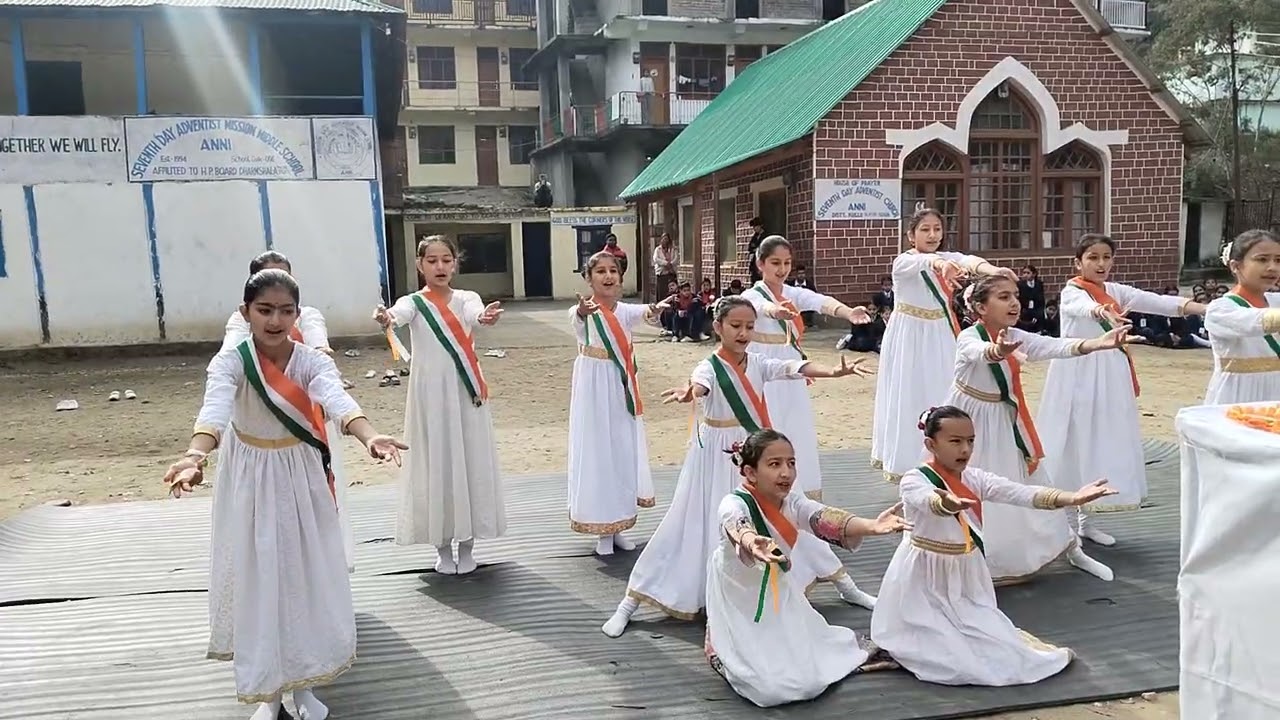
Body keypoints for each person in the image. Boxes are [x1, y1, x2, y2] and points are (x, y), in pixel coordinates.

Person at [166, 269, 407, 720]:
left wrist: (370, 436)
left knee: (303, 576)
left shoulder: (312, 361)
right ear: (246, 313)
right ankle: (269, 691)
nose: (275, 319)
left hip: (301, 477)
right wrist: (194, 457)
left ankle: (305, 686)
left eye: (285, 310)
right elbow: (214, 410)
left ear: (298, 314)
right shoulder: (231, 362)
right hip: (251, 480)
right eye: (264, 310)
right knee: (261, 578)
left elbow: (337, 401)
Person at [600, 296, 877, 637]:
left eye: (749, 326)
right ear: (717, 328)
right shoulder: (708, 367)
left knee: (789, 516)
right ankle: (632, 601)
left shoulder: (758, 362)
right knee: (695, 525)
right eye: (736, 326)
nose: (744, 332)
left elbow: (791, 369)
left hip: (756, 455)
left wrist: (834, 371)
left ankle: (846, 587)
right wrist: (690, 392)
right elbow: (700, 386)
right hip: (715, 457)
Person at [870, 406, 1116, 687]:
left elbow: (1020, 492)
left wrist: (1071, 498)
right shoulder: (916, 478)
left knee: (989, 638)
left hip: (965, 571)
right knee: (947, 652)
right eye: (955, 441)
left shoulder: (975, 479)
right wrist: (944, 503)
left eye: (970, 441)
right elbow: (926, 499)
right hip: (924, 575)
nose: (965, 449)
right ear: (930, 444)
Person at [706, 429, 908, 707]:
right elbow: (737, 525)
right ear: (750, 472)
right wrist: (752, 542)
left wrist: (872, 526)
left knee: (804, 674)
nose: (786, 473)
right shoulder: (734, 503)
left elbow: (822, 517)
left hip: (779, 592)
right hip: (737, 596)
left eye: (791, 463)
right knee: (769, 689)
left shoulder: (792, 502)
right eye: (774, 464)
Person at [946, 274, 1126, 582]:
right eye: (1003, 297)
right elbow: (978, 353)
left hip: (1003, 421)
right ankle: (976, 561)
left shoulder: (1013, 333)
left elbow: (1049, 346)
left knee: (1027, 480)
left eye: (1014, 295)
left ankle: (1070, 546)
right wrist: (998, 352)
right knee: (969, 489)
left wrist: (1097, 343)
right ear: (980, 307)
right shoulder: (969, 337)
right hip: (968, 424)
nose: (1014, 302)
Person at [1035, 234, 1206, 546]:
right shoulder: (1073, 291)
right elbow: (1083, 308)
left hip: (1111, 378)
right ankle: (1067, 521)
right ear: (1078, 262)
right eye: (1093, 258)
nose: (1100, 264)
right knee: (1075, 442)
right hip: (1078, 375)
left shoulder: (1115, 291)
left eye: (1105, 257)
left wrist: (1204, 309)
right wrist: (1103, 313)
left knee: (1101, 441)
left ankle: (1087, 519)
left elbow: (1158, 302)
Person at [373, 235, 506, 575]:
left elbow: (477, 316)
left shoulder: (466, 298)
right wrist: (386, 317)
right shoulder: (414, 302)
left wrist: (486, 318)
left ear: (455, 263)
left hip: (465, 393)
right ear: (420, 265)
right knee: (437, 464)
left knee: (469, 460)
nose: (440, 267)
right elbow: (398, 315)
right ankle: (442, 548)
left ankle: (468, 546)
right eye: (432, 261)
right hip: (430, 398)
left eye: (446, 259)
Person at [220, 250, 355, 571]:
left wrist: (320, 356)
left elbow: (319, 344)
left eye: (286, 278)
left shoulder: (306, 316)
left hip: (305, 424)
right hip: (257, 431)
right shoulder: (241, 326)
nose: (279, 285)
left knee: (314, 501)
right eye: (269, 280)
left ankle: (324, 573)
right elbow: (230, 353)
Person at [870, 207, 1016, 483]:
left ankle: (946, 456)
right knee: (910, 394)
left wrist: (993, 270)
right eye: (925, 229)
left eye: (937, 229)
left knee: (944, 388)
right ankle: (910, 465)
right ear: (911, 235)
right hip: (909, 336)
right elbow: (929, 264)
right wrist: (941, 266)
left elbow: (968, 260)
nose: (932, 234)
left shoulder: (948, 257)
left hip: (940, 331)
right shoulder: (903, 262)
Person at [744, 235, 873, 501]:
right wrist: (774, 311)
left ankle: (797, 497)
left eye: (787, 263)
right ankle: (762, 494)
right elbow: (759, 307)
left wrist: (848, 312)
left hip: (791, 368)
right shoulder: (751, 296)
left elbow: (819, 301)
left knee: (795, 425)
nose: (782, 269)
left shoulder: (792, 293)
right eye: (775, 263)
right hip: (763, 367)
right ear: (760, 264)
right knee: (765, 424)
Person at [566, 251, 663, 555]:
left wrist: (657, 307)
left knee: (621, 449)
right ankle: (601, 529)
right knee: (598, 452)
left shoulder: (624, 311)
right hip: (594, 387)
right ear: (588, 278)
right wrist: (582, 311)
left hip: (621, 387)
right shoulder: (582, 311)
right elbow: (578, 320)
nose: (608, 276)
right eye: (600, 271)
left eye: (614, 270)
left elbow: (645, 312)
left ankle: (619, 524)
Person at [1204, 229, 1280, 405]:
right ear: (1235, 266)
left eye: (1278, 260)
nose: (1272, 267)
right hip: (1238, 398)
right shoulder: (1220, 309)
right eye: (1262, 259)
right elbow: (1253, 322)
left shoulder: (1276, 301)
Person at [651, 232, 679, 303]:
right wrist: (665, 263)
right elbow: (656, 259)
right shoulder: (658, 249)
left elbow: (676, 258)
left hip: (671, 273)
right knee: (661, 293)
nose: (665, 241)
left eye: (667, 239)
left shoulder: (673, 249)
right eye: (664, 239)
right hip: (661, 273)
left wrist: (671, 264)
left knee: (671, 291)